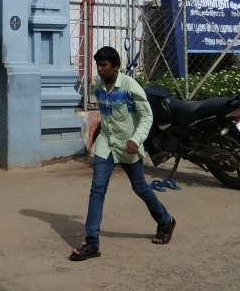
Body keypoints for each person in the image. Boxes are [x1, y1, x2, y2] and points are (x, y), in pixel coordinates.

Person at [69, 46, 176, 260]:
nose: (99, 69)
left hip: (128, 146)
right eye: (97, 64)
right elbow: (104, 116)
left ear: (116, 66)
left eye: (104, 65)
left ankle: (165, 220)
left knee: (140, 188)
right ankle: (92, 244)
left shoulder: (129, 86)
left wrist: (136, 140)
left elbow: (146, 116)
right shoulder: (98, 87)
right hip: (106, 144)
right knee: (97, 189)